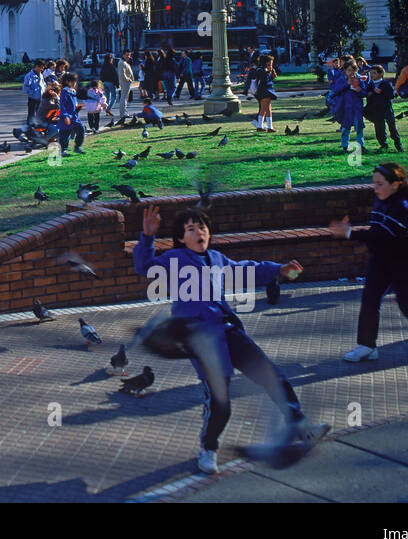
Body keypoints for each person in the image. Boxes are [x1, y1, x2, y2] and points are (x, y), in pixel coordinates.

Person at [132, 204, 323, 475]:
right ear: (180, 238)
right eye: (191, 229)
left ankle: (300, 426)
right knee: (221, 403)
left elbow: (247, 269)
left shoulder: (218, 259)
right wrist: (148, 237)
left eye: (203, 227)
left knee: (271, 376)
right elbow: (145, 267)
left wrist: (279, 269)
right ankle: (208, 448)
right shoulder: (175, 259)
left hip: (229, 331)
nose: (199, 232)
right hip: (201, 339)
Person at [330, 162, 408, 363]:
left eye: (380, 184)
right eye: (374, 183)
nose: (375, 188)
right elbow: (376, 232)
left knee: (407, 304)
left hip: (402, 261)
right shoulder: (380, 199)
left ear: (395, 184)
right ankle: (367, 346)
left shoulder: (402, 207)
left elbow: (381, 235)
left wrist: (348, 233)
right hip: (381, 260)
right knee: (369, 300)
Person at [364, 65, 402, 153]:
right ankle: (383, 144)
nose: (372, 75)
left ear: (381, 74)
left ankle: (398, 145)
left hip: (387, 109)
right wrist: (369, 94)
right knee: (379, 128)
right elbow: (367, 95)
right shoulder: (370, 85)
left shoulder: (386, 83)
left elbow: (392, 95)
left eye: (374, 73)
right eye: (371, 73)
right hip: (376, 110)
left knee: (392, 127)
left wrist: (382, 92)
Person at [334, 58, 367, 153]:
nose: (351, 73)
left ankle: (361, 145)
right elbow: (336, 90)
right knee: (346, 126)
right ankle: (345, 145)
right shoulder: (342, 79)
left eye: (353, 71)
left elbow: (364, 92)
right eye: (349, 71)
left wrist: (360, 90)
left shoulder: (359, 79)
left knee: (359, 126)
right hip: (345, 106)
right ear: (345, 70)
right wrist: (346, 84)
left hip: (357, 107)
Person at [57, 72, 86, 154]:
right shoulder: (64, 92)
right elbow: (63, 105)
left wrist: (77, 108)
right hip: (66, 117)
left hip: (74, 116)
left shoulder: (73, 91)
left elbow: (73, 104)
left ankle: (77, 147)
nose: (74, 83)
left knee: (81, 129)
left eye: (75, 81)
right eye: (72, 81)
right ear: (67, 81)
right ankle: (62, 151)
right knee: (64, 135)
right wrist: (66, 116)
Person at [254, 54, 278, 131]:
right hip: (265, 91)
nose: (270, 66)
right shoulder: (262, 70)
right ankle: (260, 126)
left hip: (265, 91)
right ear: (264, 64)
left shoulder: (263, 71)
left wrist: (271, 75)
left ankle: (270, 126)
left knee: (268, 109)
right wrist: (268, 72)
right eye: (269, 64)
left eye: (271, 64)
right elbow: (263, 81)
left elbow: (267, 80)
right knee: (264, 109)